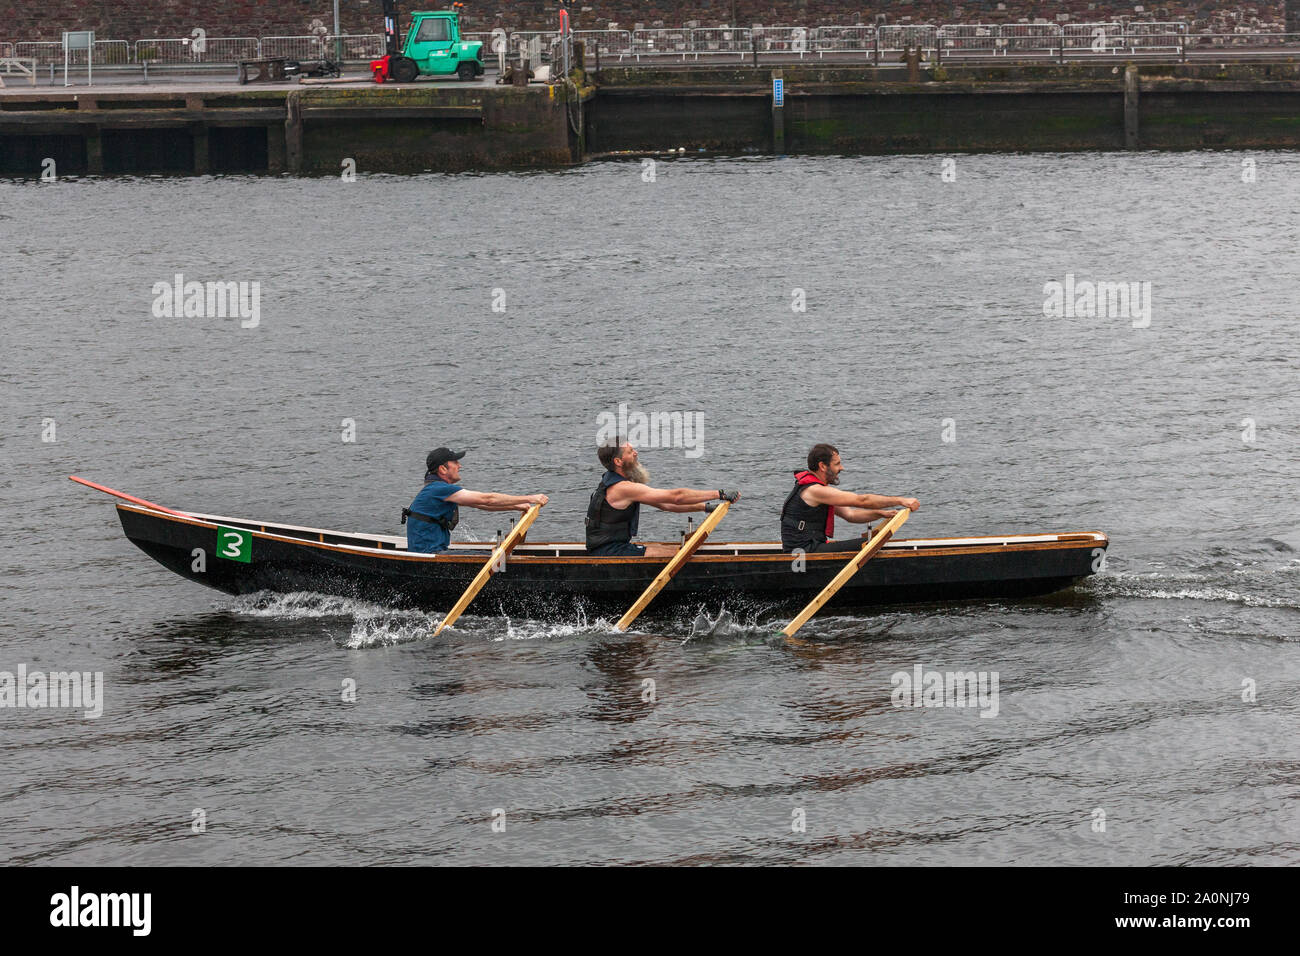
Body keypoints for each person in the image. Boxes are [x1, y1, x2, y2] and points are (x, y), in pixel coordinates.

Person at [586, 439, 739, 557]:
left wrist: (704, 507)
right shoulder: (623, 489)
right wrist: (720, 494)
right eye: (630, 451)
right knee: (676, 554)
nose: (636, 453)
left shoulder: (615, 482)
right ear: (618, 461)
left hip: (610, 548)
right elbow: (676, 497)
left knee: (669, 549)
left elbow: (666, 505)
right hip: (610, 552)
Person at [404, 447, 549, 554]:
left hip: (429, 552)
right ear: (443, 469)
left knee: (491, 555)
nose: (459, 466)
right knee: (492, 558)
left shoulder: (436, 489)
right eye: (455, 462)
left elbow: (481, 504)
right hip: (430, 554)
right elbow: (488, 499)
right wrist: (531, 497)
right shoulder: (439, 489)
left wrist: (516, 506)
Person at [780, 443, 919, 553]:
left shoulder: (819, 490)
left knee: (871, 542)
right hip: (802, 551)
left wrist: (881, 514)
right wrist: (901, 500)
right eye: (837, 464)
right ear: (822, 466)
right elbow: (862, 500)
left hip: (811, 546)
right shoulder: (814, 491)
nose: (842, 468)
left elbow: (850, 514)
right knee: (868, 545)